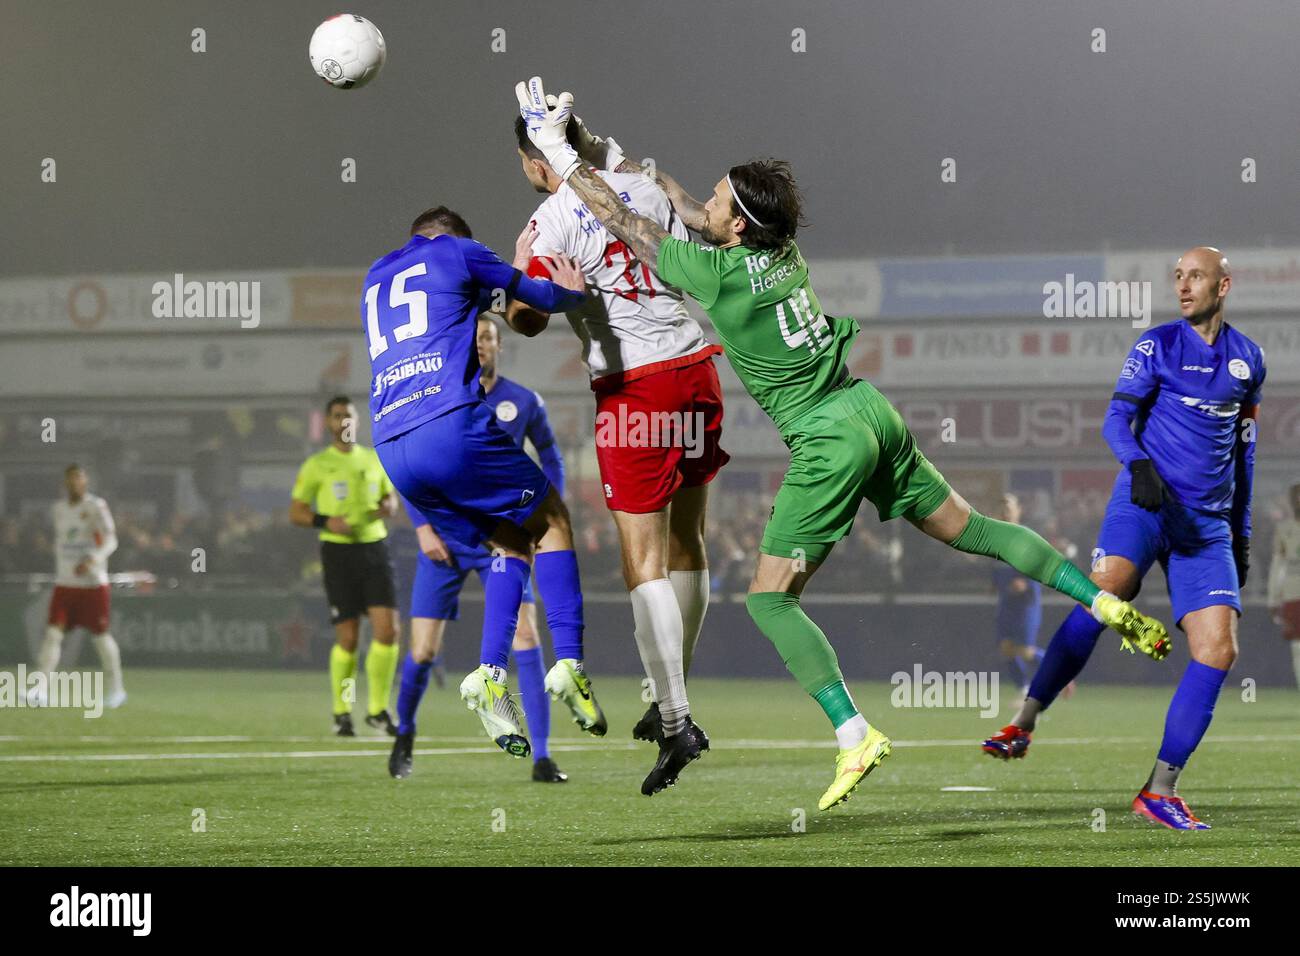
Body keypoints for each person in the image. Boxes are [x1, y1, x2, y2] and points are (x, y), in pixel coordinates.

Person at [514, 77, 1171, 812]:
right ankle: (1103, 603)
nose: (707, 200)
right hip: (869, 411)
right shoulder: (779, 253)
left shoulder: (718, 273)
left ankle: (854, 732)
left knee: (769, 602)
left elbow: (628, 221)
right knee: (975, 529)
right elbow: (668, 199)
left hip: (828, 440)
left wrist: (557, 154)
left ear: (735, 228)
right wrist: (597, 148)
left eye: (721, 199)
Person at [983, 247, 1265, 830]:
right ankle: (1025, 718)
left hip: (1207, 526)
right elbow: (1115, 419)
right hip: (1146, 504)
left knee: (1218, 648)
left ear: (1224, 285)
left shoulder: (1249, 361)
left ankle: (1160, 790)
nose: (1184, 286)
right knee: (1109, 588)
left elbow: (1245, 452)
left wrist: (1241, 534)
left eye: (1196, 277)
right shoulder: (1155, 345)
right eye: (1178, 277)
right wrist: (1138, 463)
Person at [507, 114, 728, 795]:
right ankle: (673, 694)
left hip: (636, 390)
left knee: (643, 563)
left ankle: (676, 717)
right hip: (697, 367)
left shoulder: (549, 220)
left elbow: (527, 319)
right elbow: (700, 236)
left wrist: (531, 283)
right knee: (689, 544)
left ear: (535, 159)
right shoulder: (646, 183)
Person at [363, 204, 605, 757]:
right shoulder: (459, 251)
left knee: (509, 540)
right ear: (454, 238)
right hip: (448, 427)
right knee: (552, 522)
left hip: (393, 447)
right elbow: (535, 299)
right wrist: (571, 292)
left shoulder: (376, 275)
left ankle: (489, 678)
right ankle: (570, 664)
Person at [390, 315, 570, 783]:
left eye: (488, 338)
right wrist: (422, 528)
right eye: (474, 340)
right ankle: (405, 733)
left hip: (501, 541)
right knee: (424, 651)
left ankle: (543, 757)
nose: (482, 346)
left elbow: (550, 456)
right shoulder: (434, 397)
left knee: (526, 638)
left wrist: (546, 510)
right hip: (445, 540)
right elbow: (410, 465)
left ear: (499, 346)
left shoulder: (523, 401)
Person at [290, 396, 401, 736]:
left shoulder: (373, 458)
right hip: (338, 554)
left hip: (374, 549)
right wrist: (325, 520)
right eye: (338, 416)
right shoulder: (316, 465)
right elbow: (296, 513)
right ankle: (342, 710)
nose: (345, 422)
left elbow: (390, 499)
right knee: (349, 638)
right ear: (328, 422)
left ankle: (378, 710)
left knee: (388, 632)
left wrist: (389, 505)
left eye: (350, 416)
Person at [30, 464, 125, 709]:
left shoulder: (96, 506)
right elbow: (64, 541)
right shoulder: (58, 510)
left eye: (79, 480)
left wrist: (95, 558)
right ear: (65, 483)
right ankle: (41, 690)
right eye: (70, 480)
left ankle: (117, 689)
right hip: (65, 583)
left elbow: (112, 539)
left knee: (101, 638)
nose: (74, 484)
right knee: (52, 635)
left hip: (92, 584)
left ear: (85, 482)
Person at [989, 493, 1044, 697]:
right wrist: (994, 584)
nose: (1004, 512)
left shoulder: (1025, 537)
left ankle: (1062, 673)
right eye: (1001, 507)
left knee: (1025, 651)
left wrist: (1024, 582)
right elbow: (996, 567)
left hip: (1025, 605)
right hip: (1006, 603)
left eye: (1009, 507)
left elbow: (1034, 570)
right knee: (1006, 649)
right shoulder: (995, 539)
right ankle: (1024, 691)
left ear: (1019, 510)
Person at [1266, 483, 1300, 689]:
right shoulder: (1284, 529)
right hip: (1293, 593)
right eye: (1296, 497)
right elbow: (1278, 564)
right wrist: (1273, 597)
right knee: (1297, 646)